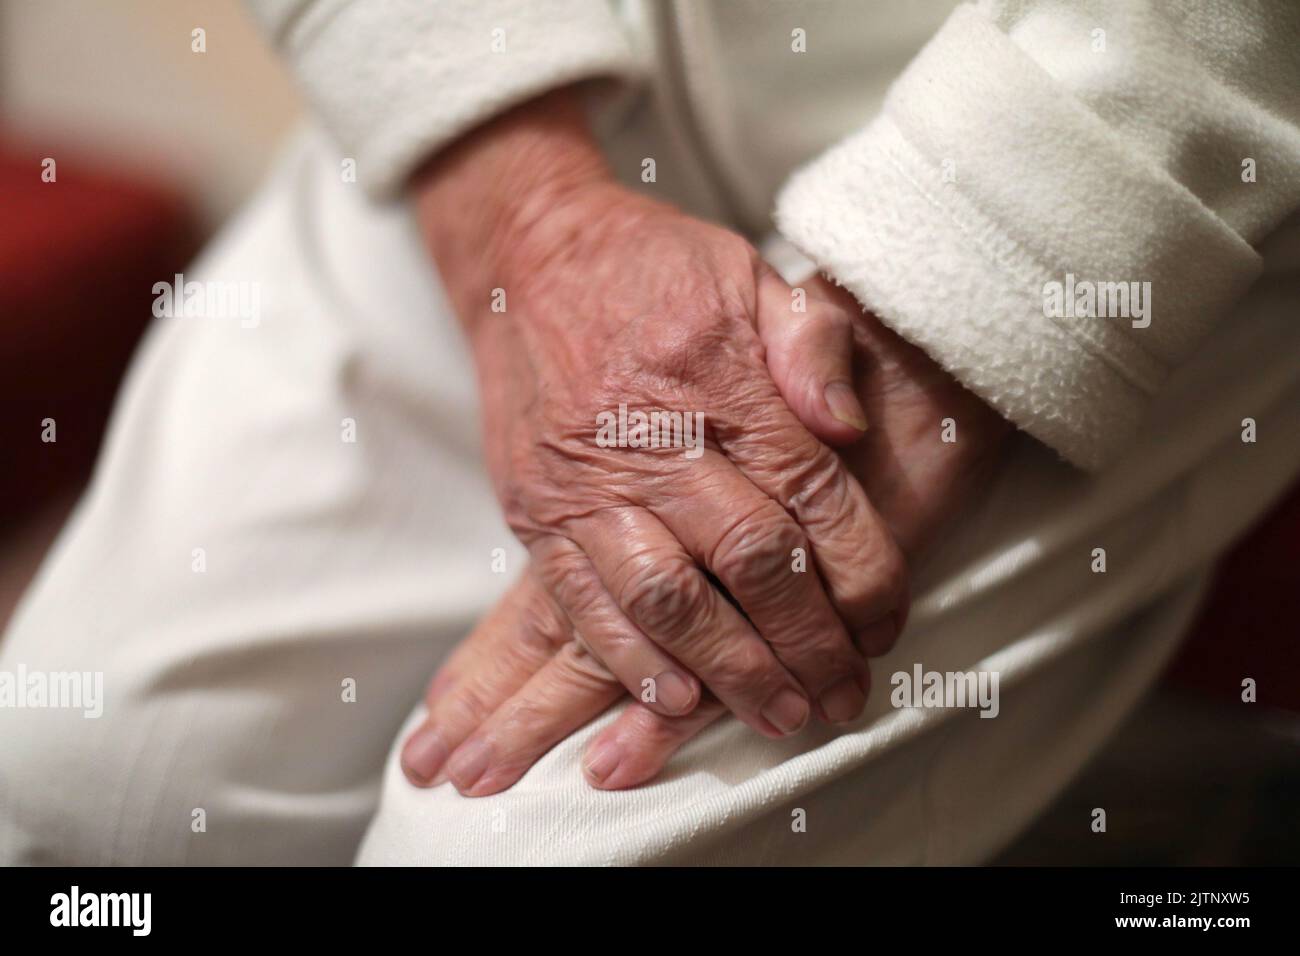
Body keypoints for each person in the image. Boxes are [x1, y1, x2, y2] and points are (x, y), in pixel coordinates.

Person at [2, 0, 1298, 865]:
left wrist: (972, 287)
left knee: (508, 852)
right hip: (505, 74)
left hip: (1080, 123)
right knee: (93, 792)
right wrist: (521, 214)